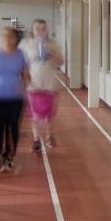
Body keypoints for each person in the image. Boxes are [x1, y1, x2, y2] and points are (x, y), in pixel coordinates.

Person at [0, 23, 30, 174]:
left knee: (13, 128)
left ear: (16, 39)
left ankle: (9, 155)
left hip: (15, 98)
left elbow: (26, 75)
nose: (7, 39)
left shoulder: (20, 55)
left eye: (10, 36)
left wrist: (27, 83)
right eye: (4, 36)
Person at [25, 19, 64, 155]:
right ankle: (36, 141)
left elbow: (61, 61)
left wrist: (51, 54)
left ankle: (50, 136)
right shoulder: (27, 45)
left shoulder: (52, 44)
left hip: (50, 85)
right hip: (34, 85)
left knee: (49, 116)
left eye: (43, 28)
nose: (41, 31)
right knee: (35, 116)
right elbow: (23, 63)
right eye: (37, 28)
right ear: (33, 31)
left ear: (47, 30)